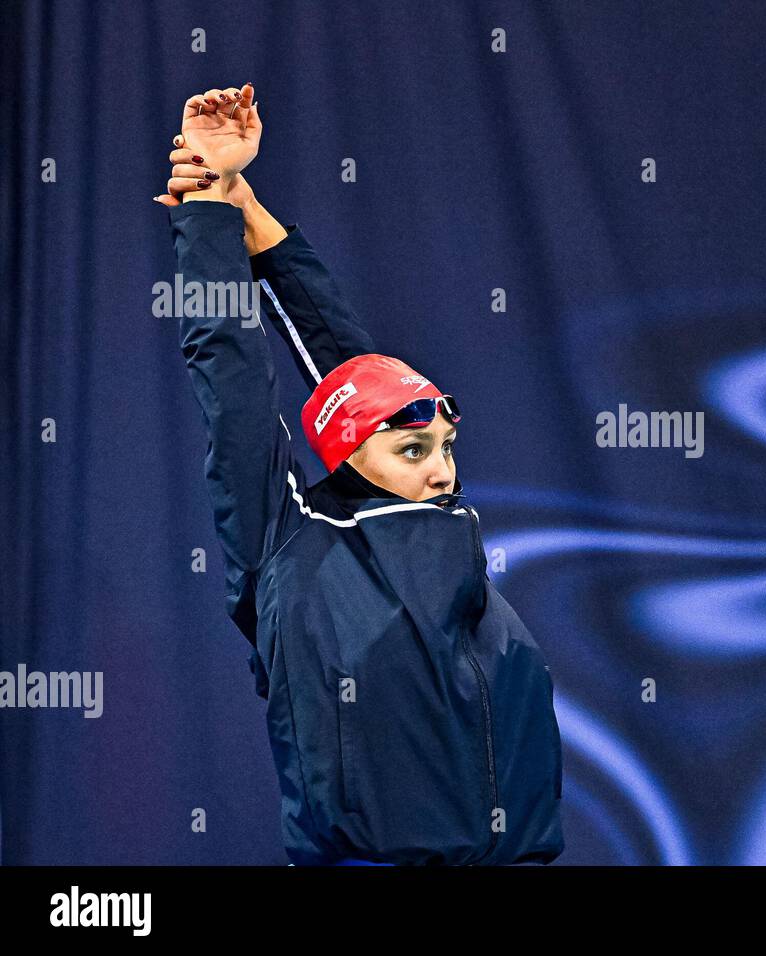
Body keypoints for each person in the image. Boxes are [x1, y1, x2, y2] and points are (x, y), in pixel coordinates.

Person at [157, 84, 564, 866]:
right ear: (346, 453)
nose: (442, 470)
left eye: (448, 446)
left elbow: (356, 369)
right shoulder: (289, 544)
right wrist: (206, 207)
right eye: (413, 450)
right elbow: (231, 369)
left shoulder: (452, 538)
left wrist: (248, 204)